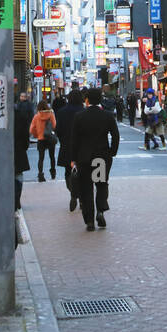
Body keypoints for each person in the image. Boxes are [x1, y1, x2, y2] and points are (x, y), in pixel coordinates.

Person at [70, 87, 121, 231]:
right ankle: (100, 210)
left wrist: (74, 159)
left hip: (84, 158)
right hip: (102, 156)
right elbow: (115, 136)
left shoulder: (79, 116)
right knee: (101, 184)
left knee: (86, 189)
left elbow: (74, 140)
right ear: (100, 100)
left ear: (87, 100)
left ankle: (89, 221)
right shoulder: (107, 115)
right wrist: (112, 151)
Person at [56, 89, 84, 211]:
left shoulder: (61, 112)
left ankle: (73, 193)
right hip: (83, 147)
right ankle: (82, 197)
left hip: (67, 145)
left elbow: (58, 130)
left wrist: (63, 140)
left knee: (69, 171)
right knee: (83, 173)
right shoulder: (84, 111)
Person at [31, 99, 57, 181]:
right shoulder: (51, 114)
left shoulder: (36, 116)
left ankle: (40, 174)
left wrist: (37, 135)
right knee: (52, 156)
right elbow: (54, 125)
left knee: (41, 158)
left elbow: (32, 129)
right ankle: (53, 173)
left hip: (41, 139)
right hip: (50, 138)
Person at [14, 91, 32, 212]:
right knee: (18, 175)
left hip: (5, 151)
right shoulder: (20, 115)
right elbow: (25, 133)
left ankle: (9, 200)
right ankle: (17, 200)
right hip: (19, 149)